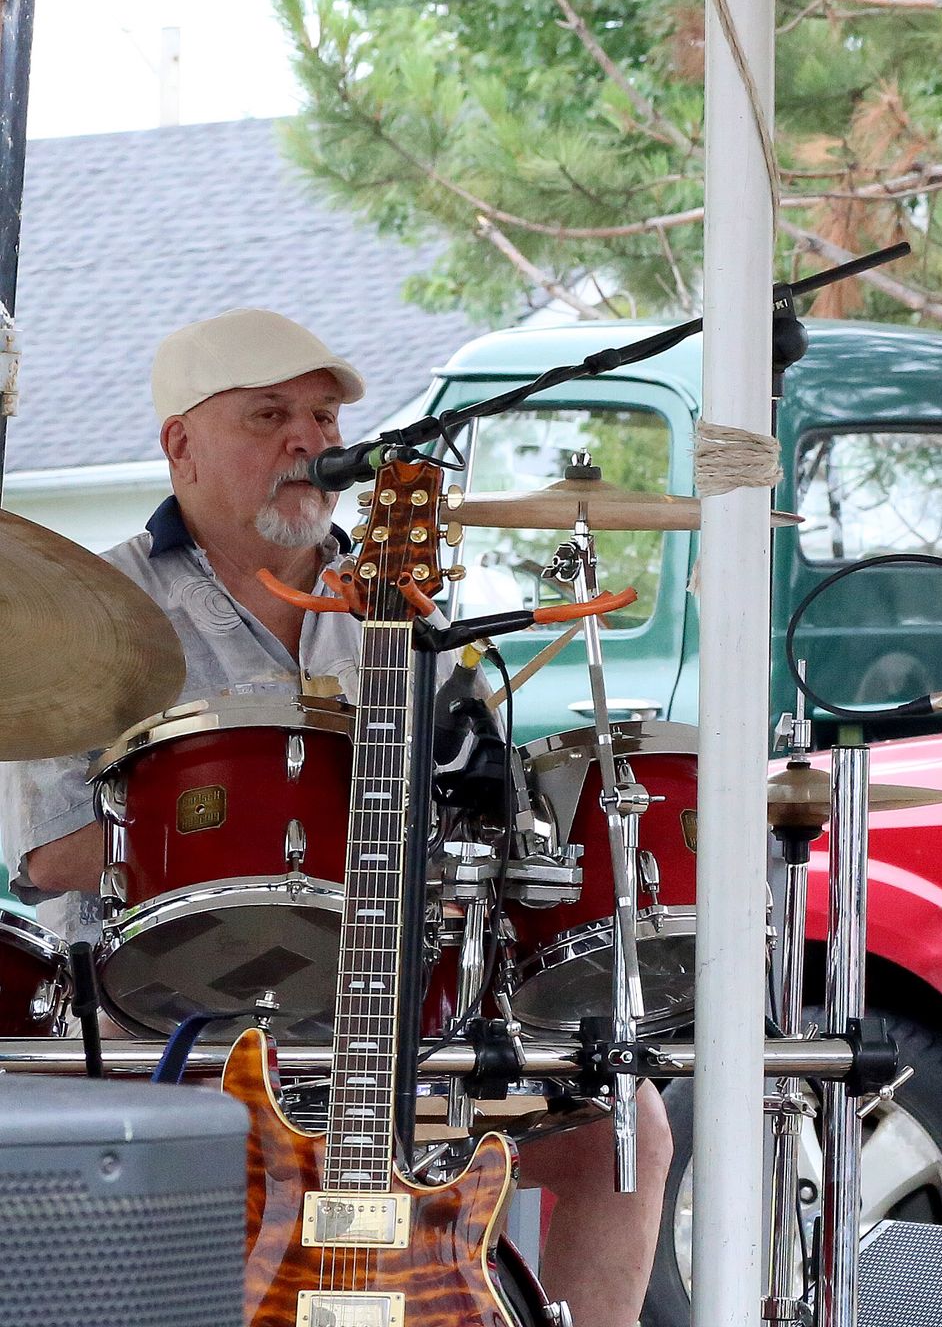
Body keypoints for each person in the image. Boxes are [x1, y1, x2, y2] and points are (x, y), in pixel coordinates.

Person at [0, 309, 671, 1327]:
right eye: (269, 414)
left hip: (380, 1020)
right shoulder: (86, 610)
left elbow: (474, 825)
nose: (308, 440)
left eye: (320, 414)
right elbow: (49, 851)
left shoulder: (398, 608)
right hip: (165, 1024)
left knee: (627, 1128)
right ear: (179, 440)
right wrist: (258, 825)